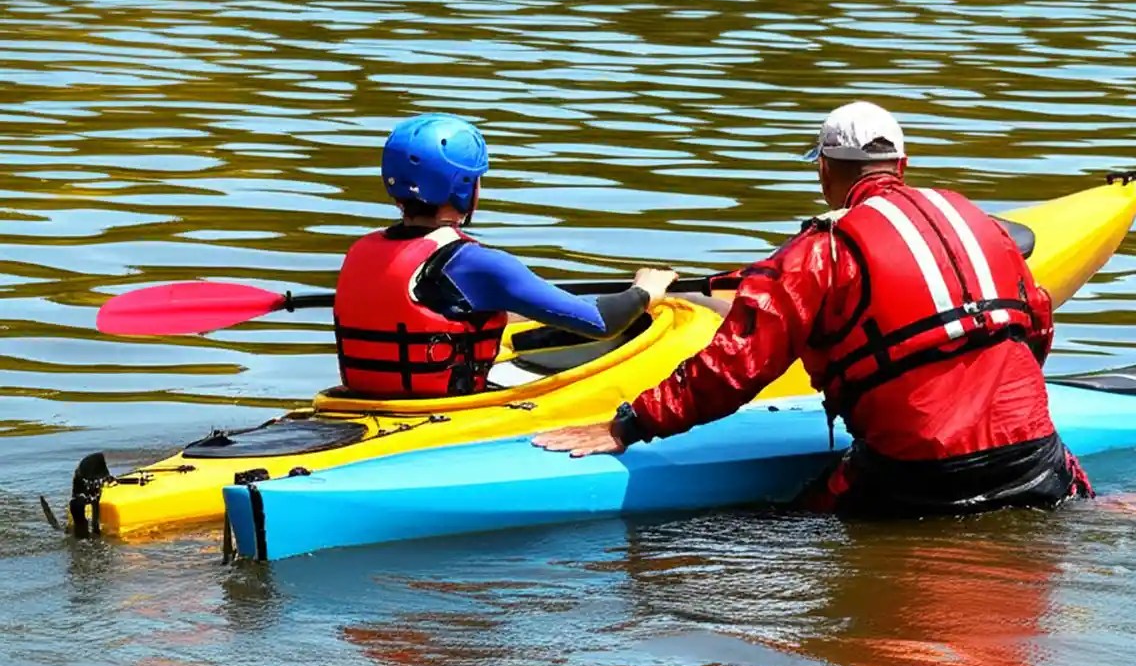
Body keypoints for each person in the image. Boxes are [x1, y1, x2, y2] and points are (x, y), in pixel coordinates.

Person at [534, 100, 1093, 519]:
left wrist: (629, 424)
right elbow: (1037, 324)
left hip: (915, 477)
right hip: (1035, 458)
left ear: (825, 169)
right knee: (1086, 506)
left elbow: (733, 368)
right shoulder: (981, 223)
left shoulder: (818, 254)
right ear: (903, 162)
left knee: (785, 527)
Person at [333, 113, 677, 398]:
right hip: (445, 415)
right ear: (463, 187)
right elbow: (600, 322)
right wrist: (644, 290)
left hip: (359, 403)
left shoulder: (361, 252)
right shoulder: (478, 264)